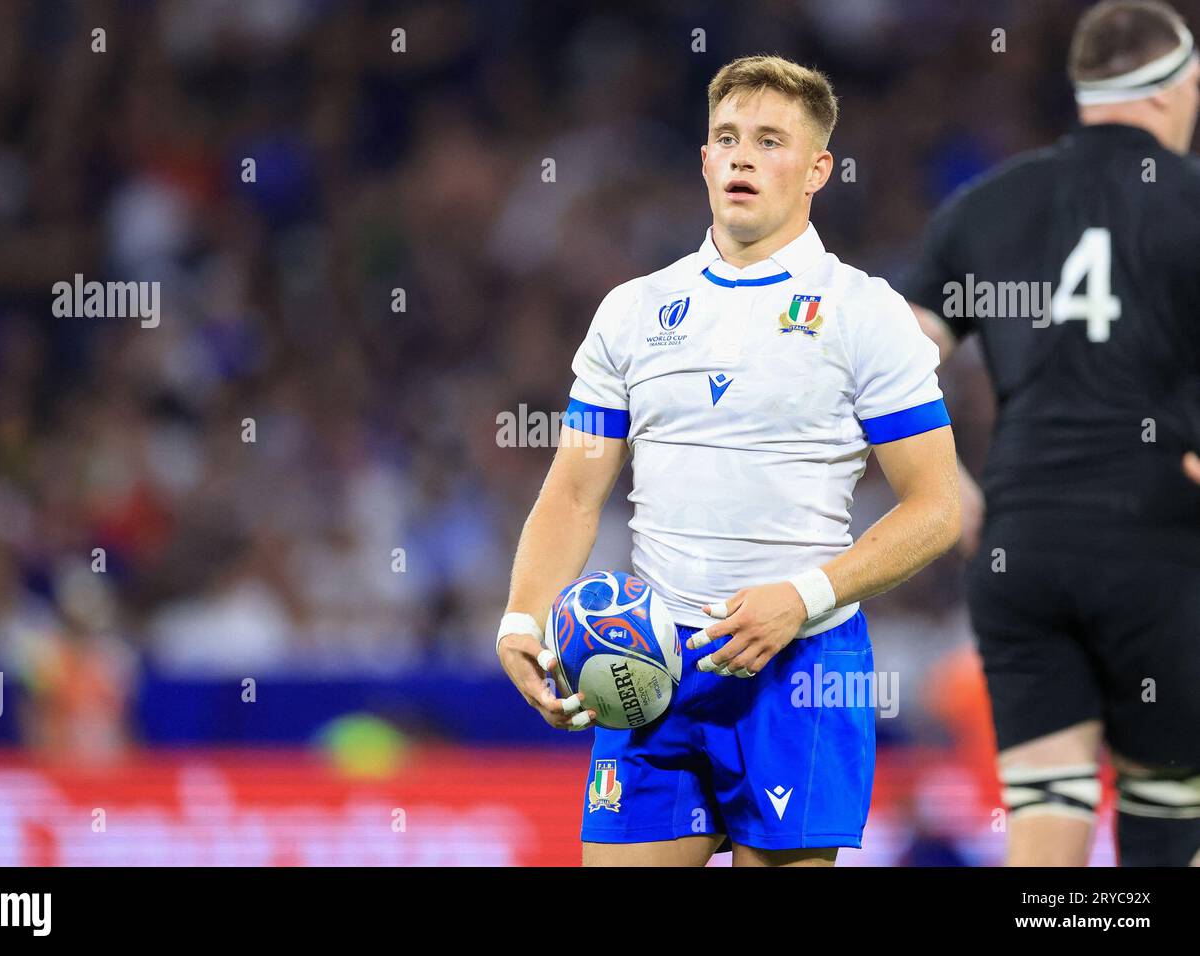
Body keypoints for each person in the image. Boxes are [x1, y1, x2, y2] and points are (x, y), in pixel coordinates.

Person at [497, 54, 960, 867]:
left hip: (802, 669)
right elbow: (573, 492)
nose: (743, 157)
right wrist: (521, 620)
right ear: (705, 159)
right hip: (650, 664)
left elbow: (936, 509)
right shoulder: (633, 311)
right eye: (727, 138)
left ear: (818, 168)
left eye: (771, 141)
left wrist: (802, 598)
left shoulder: (866, 313)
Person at [902, 0, 1200, 867]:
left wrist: (943, 491)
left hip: (1019, 540)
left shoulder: (988, 205)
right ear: (1180, 86)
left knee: (1046, 815)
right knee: (1169, 814)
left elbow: (880, 363)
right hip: (1160, 537)